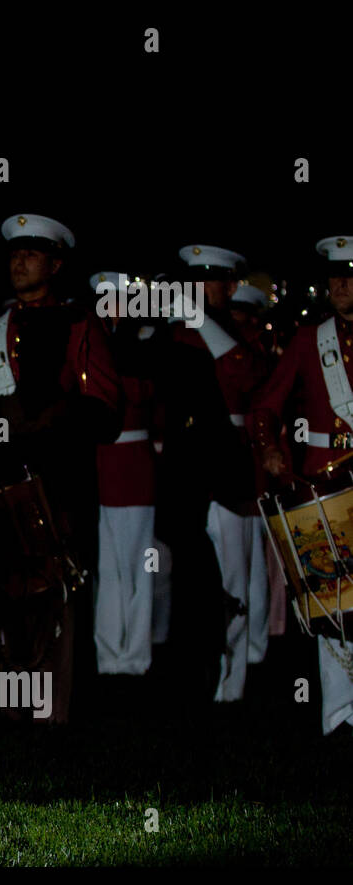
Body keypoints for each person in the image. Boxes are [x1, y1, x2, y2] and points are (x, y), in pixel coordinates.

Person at [0, 214, 121, 724]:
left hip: (58, 481)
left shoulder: (79, 325)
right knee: (5, 591)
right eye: (14, 254)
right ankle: (8, 702)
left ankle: (54, 709)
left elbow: (105, 408)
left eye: (31, 254)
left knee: (58, 592)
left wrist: (53, 416)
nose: (19, 263)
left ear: (55, 265)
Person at [249, 235, 353, 734]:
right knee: (332, 597)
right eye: (336, 276)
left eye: (350, 276)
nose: (341, 284)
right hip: (322, 482)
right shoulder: (310, 339)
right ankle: (338, 716)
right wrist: (269, 446)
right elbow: (265, 405)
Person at [173, 245, 271, 702]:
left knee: (235, 579)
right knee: (194, 576)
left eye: (209, 280)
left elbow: (247, 378)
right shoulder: (179, 334)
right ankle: (197, 669)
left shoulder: (241, 336)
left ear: (229, 287)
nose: (199, 288)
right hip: (189, 465)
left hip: (229, 466)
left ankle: (231, 683)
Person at [89, 272, 160, 676]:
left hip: (133, 466)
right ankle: (109, 653)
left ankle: (134, 654)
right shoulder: (91, 341)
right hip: (103, 463)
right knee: (108, 566)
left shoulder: (144, 341)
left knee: (137, 565)